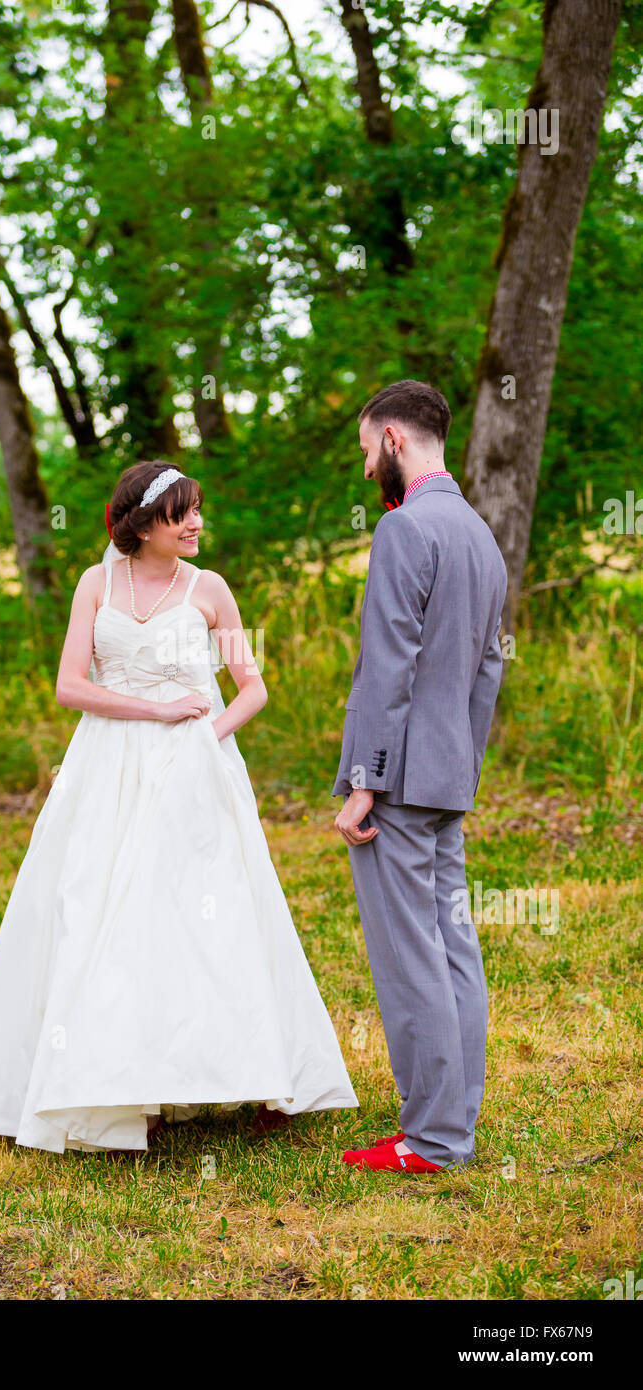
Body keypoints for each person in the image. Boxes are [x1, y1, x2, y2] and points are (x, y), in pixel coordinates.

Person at [0, 459, 358, 1154]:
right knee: (102, 911)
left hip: (194, 771)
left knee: (209, 914)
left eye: (196, 511)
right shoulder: (96, 585)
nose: (196, 524)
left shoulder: (211, 590)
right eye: (181, 513)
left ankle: (262, 1073)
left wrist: (203, 742)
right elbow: (71, 686)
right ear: (141, 522)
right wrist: (152, 712)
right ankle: (129, 1088)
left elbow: (251, 687)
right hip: (108, 764)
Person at [333, 380, 507, 1174]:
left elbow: (388, 667)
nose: (368, 469)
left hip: (396, 783)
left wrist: (364, 780)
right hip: (447, 776)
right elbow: (488, 669)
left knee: (410, 955)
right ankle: (452, 1124)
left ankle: (433, 1140)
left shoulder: (404, 532)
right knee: (452, 946)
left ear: (396, 441)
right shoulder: (480, 534)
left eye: (369, 451)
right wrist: (461, 767)